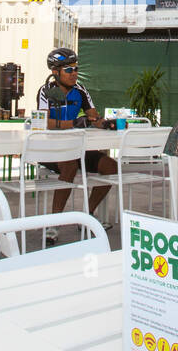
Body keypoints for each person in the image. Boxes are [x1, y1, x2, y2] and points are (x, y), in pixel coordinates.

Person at [36, 47, 118, 232]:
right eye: (68, 70)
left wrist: (104, 123)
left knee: (111, 167)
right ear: (55, 72)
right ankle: (53, 224)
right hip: (50, 149)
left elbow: (93, 117)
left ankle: (87, 216)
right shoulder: (45, 91)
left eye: (76, 69)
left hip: (75, 147)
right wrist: (73, 123)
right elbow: (43, 122)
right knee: (70, 166)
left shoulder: (80, 90)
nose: (74, 74)